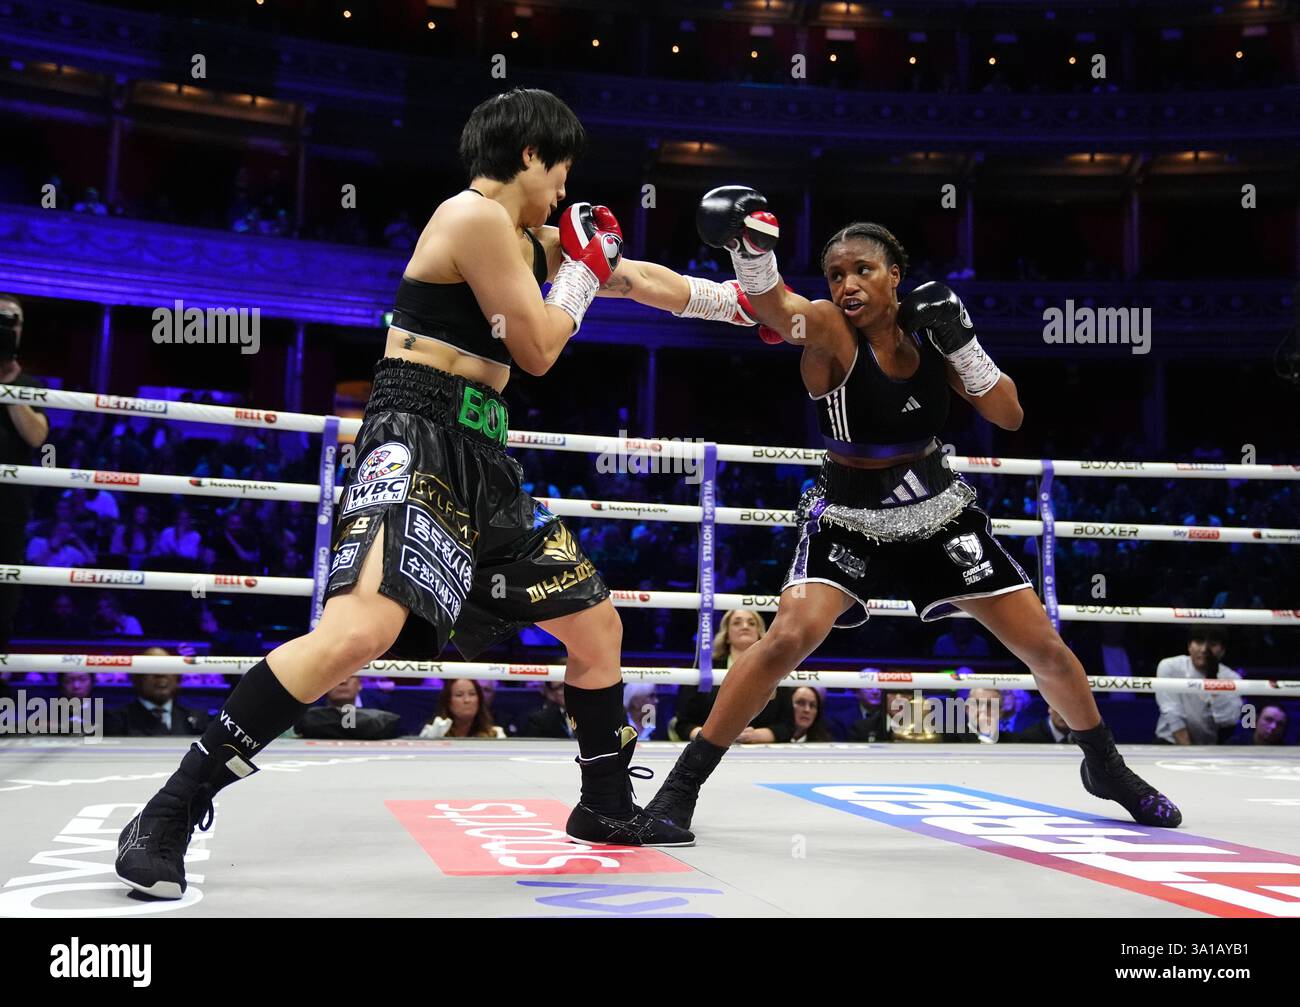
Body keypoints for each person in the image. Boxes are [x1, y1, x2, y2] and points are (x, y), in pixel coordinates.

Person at [116, 88, 767, 899]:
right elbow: (536, 347)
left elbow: (638, 281)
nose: (567, 190)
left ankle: (604, 800)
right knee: (360, 632)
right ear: (530, 154)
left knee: (596, 624)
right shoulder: (471, 217)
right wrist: (584, 273)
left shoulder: (531, 238)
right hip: (413, 434)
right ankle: (170, 809)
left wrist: (744, 308)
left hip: (483, 452)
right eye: (562, 169)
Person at [647, 188, 1181, 832]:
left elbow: (1008, 414)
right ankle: (683, 786)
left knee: (1043, 645)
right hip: (847, 517)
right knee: (787, 636)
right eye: (837, 272)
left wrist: (962, 342)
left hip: (937, 513)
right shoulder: (826, 329)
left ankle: (1104, 765)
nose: (846, 284)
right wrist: (751, 251)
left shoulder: (931, 335)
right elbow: (772, 305)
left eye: (862, 270)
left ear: (894, 276)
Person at [0, 295, 49, 653]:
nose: (7, 326)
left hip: (7, 509)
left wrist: (10, 384)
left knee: (3, 600)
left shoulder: (27, 380)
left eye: (12, 320)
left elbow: (36, 435)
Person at [671, 608, 790, 743]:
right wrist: (709, 737)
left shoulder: (776, 670)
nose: (745, 626)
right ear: (726, 635)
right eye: (737, 623)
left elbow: (787, 726)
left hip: (760, 751)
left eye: (751, 623)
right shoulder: (703, 669)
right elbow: (683, 724)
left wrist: (758, 735)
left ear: (759, 634)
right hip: (709, 747)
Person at [1154, 627, 1242, 745]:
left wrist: (1214, 682)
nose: (1204, 649)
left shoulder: (1232, 678)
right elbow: (1172, 712)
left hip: (1209, 746)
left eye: (1213, 644)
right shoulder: (1170, 667)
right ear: (1189, 646)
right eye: (1199, 642)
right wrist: (1189, 752)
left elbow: (1228, 720)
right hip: (1169, 741)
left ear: (1222, 650)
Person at [419, 678, 505, 739]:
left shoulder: (496, 734)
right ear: (448, 701)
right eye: (459, 695)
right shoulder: (432, 731)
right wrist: (435, 737)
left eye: (472, 694)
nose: (467, 700)